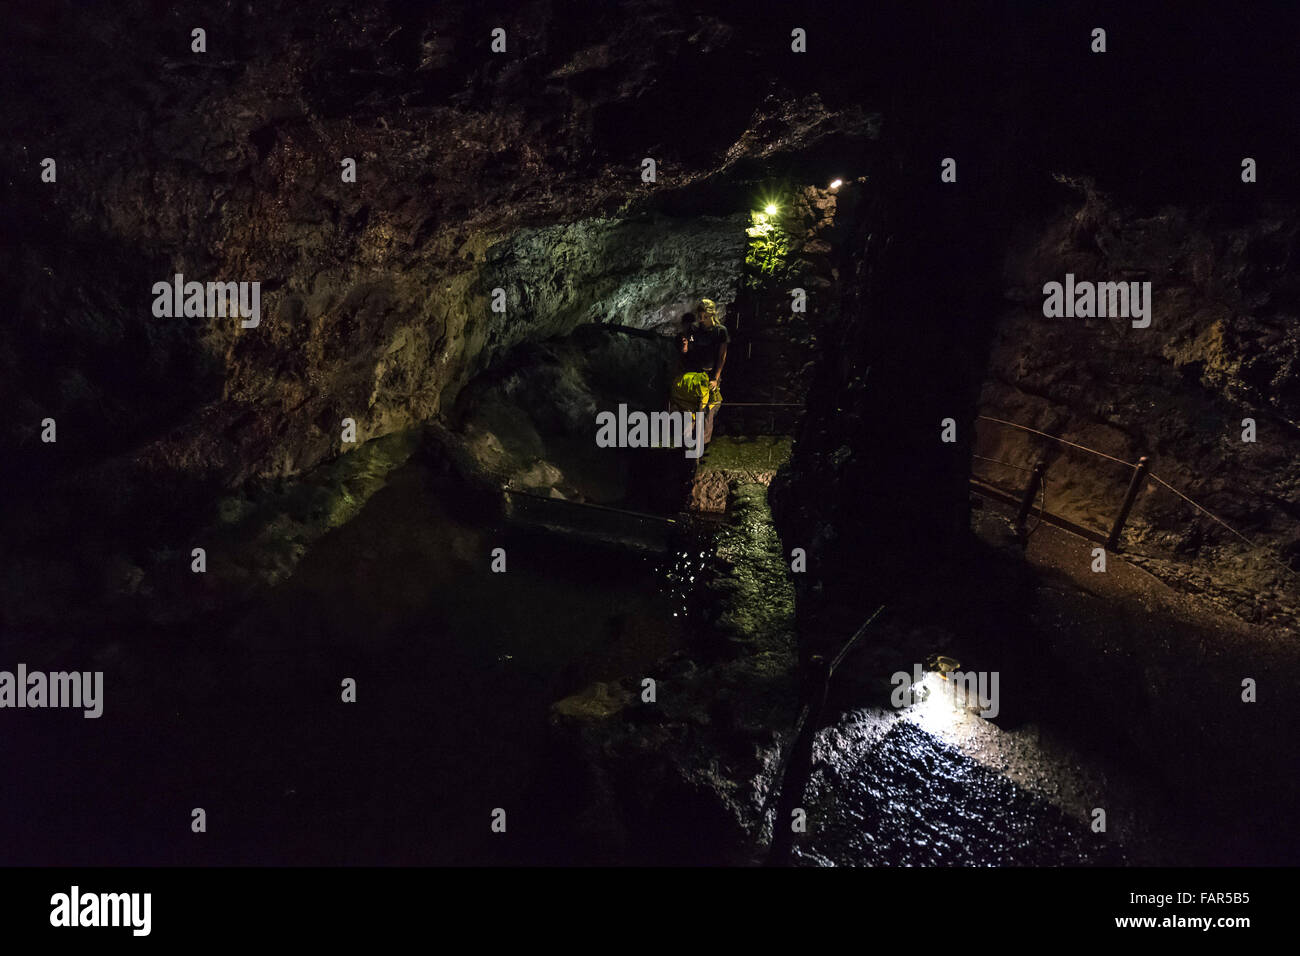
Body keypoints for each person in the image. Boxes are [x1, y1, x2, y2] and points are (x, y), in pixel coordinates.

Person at [670, 299, 729, 449]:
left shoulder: (720, 331)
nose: (702, 319)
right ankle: (687, 443)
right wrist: (684, 347)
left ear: (711, 314)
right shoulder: (694, 329)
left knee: (707, 410)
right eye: (700, 315)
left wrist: (715, 378)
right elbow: (687, 349)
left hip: (709, 374)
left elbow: (722, 356)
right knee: (689, 407)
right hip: (693, 372)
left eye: (705, 316)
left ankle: (702, 444)